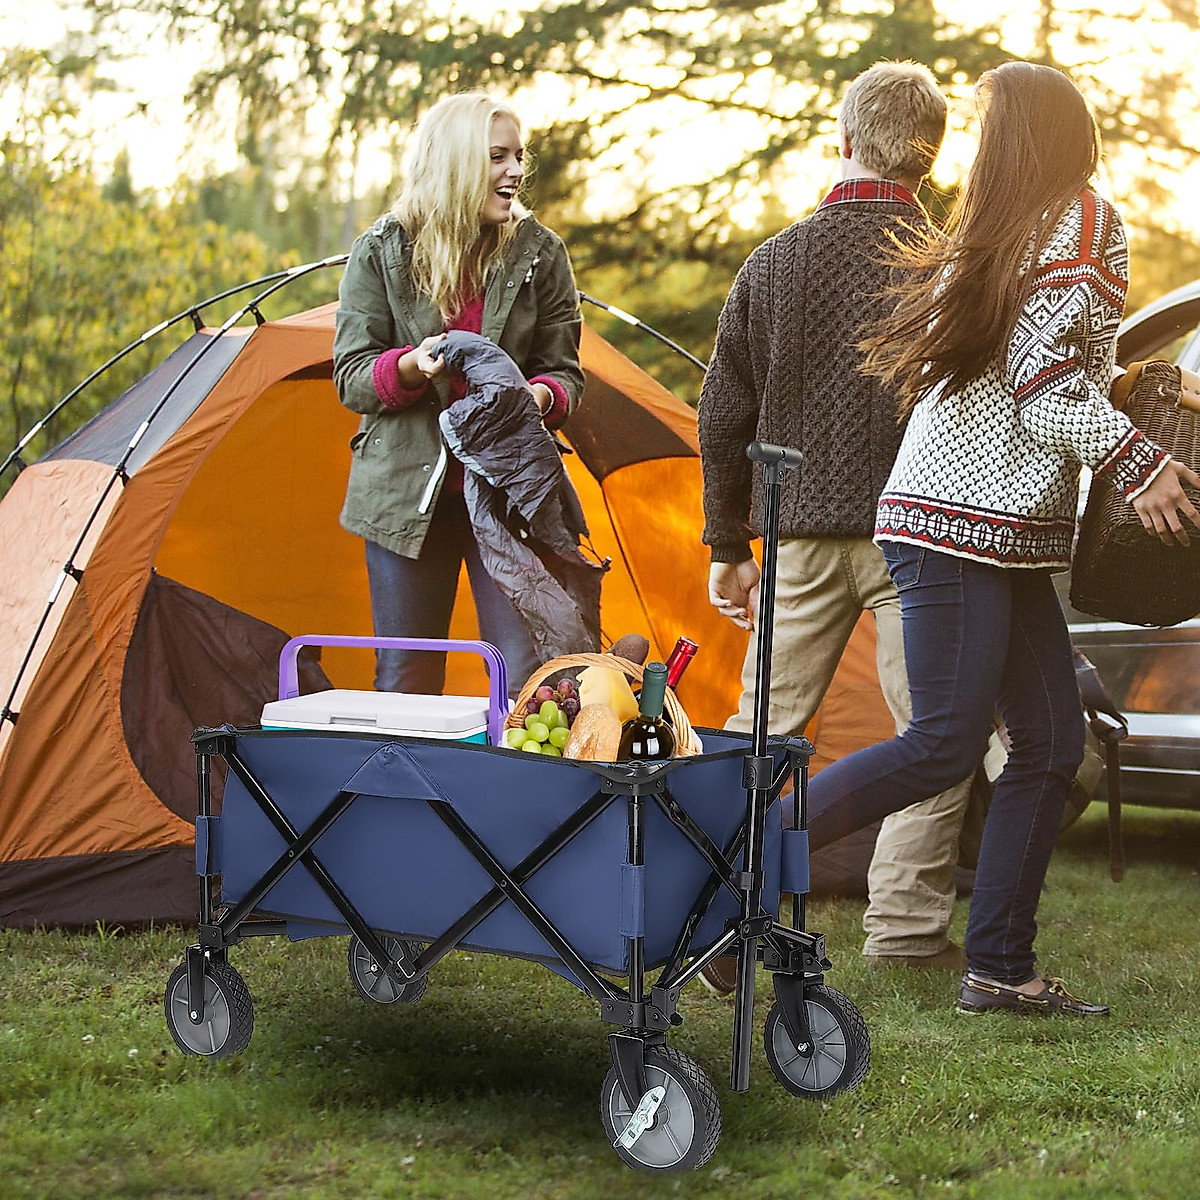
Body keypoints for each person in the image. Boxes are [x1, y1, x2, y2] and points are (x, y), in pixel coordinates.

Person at [807, 60, 1200, 1016]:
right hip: (954, 526)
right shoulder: (1085, 220)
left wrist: (1147, 392)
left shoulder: (1006, 229)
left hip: (989, 530)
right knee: (944, 744)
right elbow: (1043, 386)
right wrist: (1140, 463)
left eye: (988, 129)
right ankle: (739, 860)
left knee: (1051, 740)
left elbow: (1041, 374)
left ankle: (998, 969)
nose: (978, 146)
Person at [697, 60, 976, 996]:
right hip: (921, 535)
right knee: (934, 731)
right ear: (929, 156)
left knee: (758, 731)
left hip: (799, 532)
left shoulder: (777, 260)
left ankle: (720, 918)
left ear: (844, 137)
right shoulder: (949, 265)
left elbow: (720, 412)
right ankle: (903, 928)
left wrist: (727, 547)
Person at [333, 92, 584, 697]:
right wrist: (413, 366)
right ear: (455, 162)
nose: (516, 173)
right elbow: (351, 375)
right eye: (497, 157)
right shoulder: (383, 250)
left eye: (518, 156)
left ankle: (519, 792)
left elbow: (566, 371)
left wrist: (538, 399)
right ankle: (413, 796)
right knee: (405, 677)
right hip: (403, 498)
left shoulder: (540, 254)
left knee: (532, 677)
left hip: (508, 492)